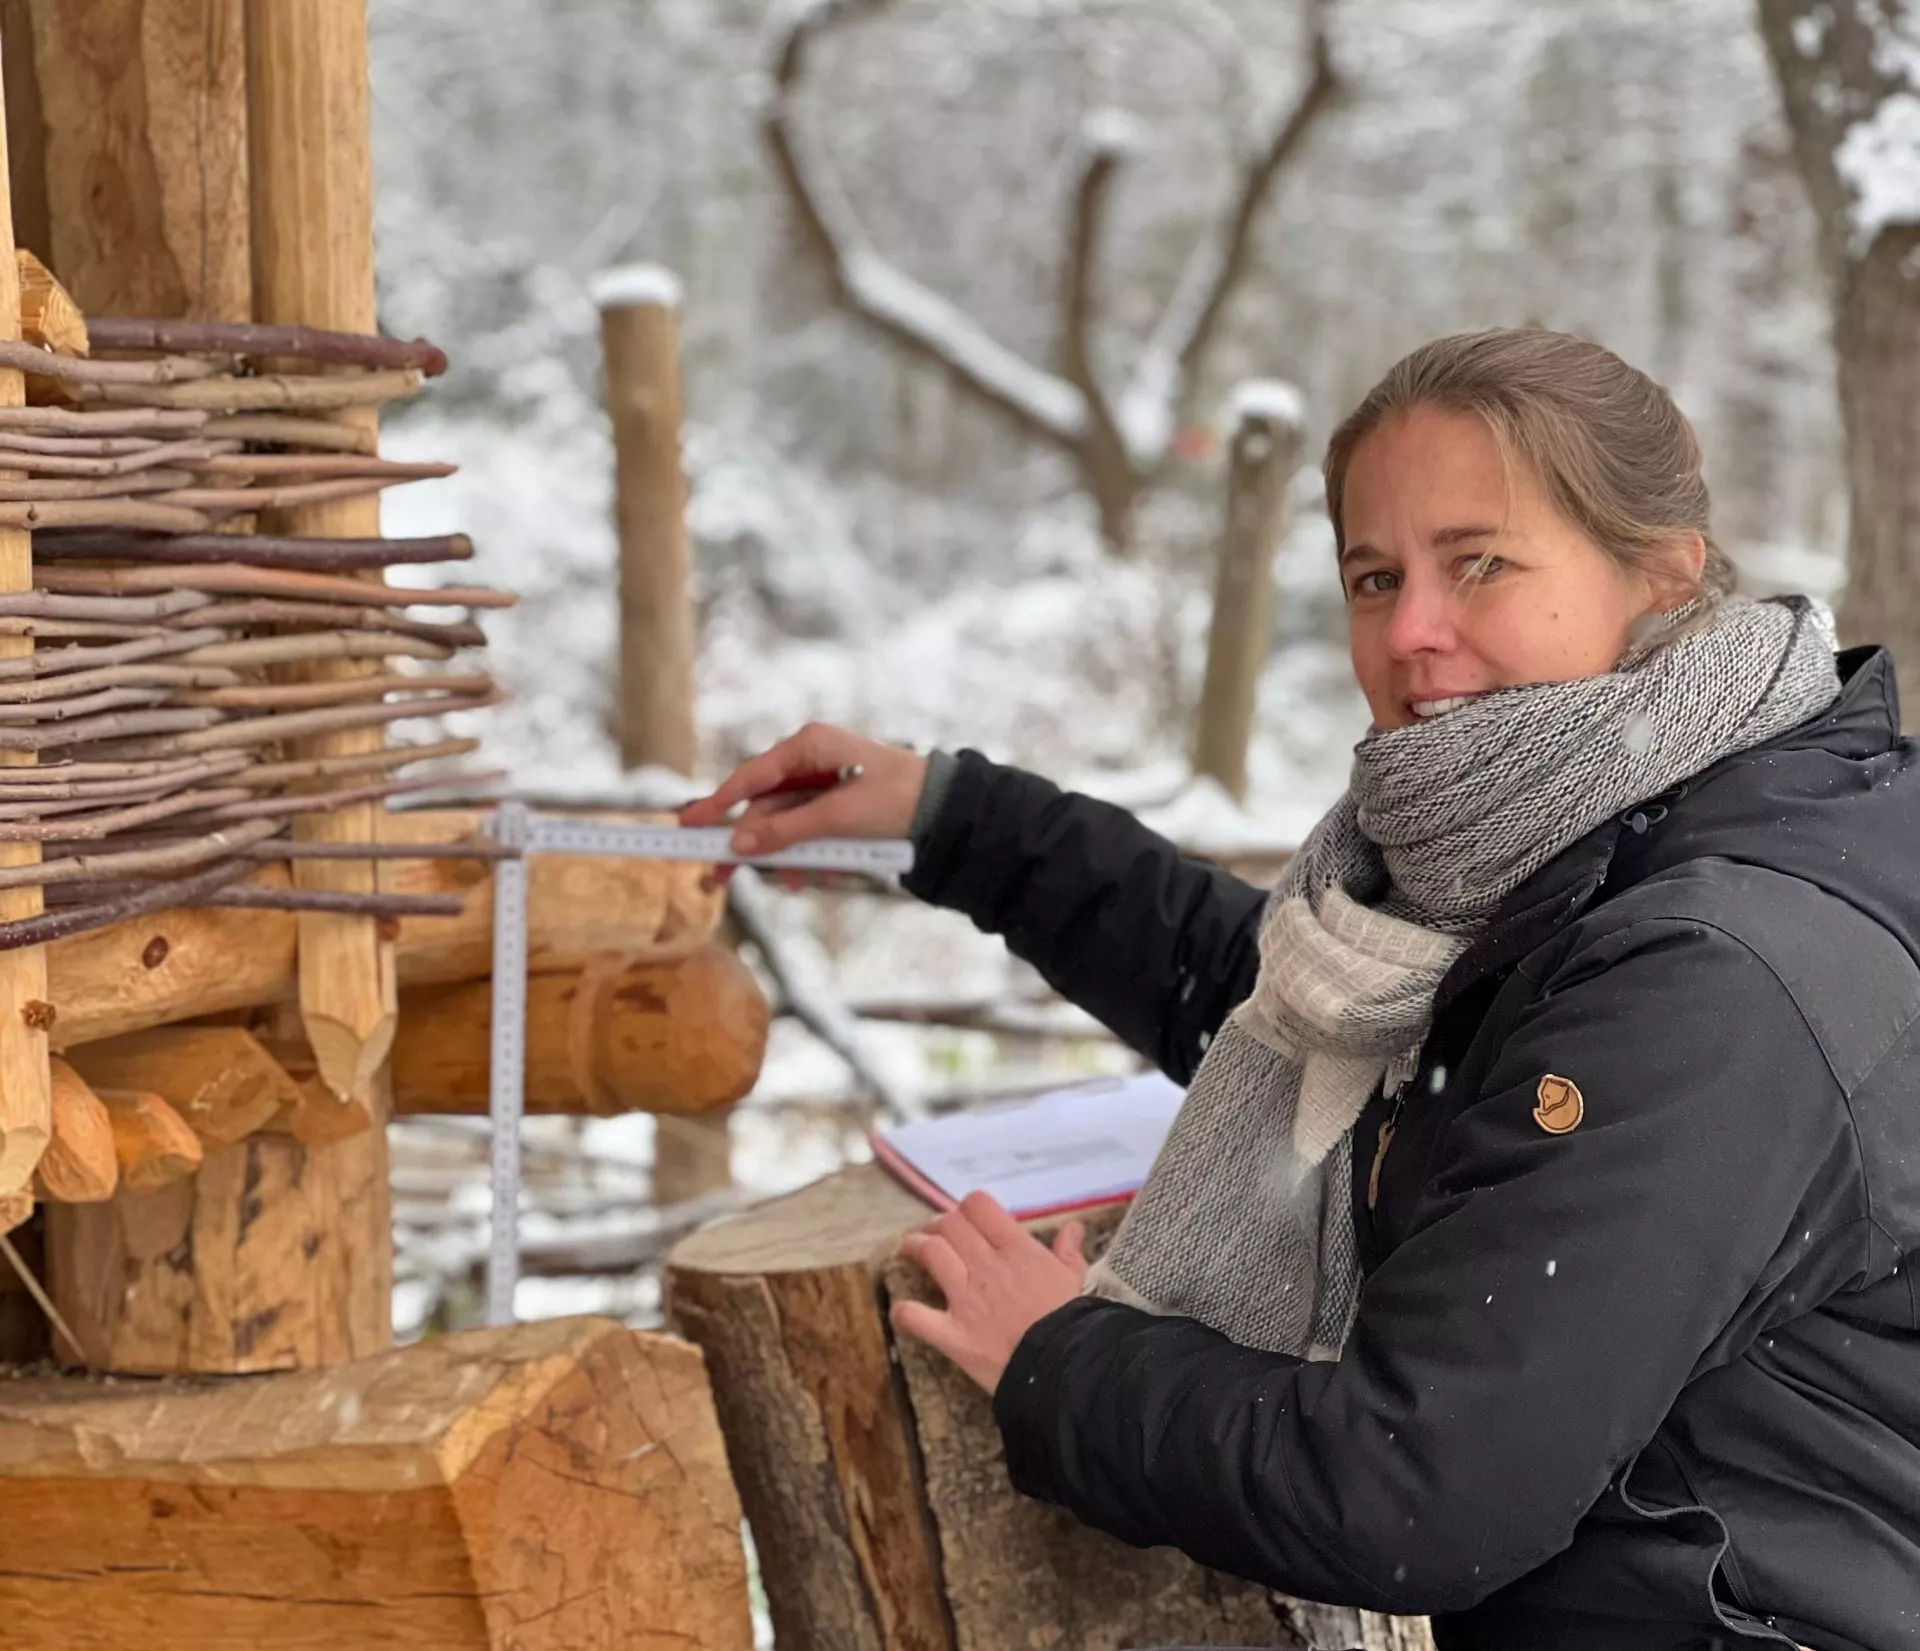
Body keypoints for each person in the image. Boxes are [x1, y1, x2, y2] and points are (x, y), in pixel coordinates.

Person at [682, 328, 1920, 1651]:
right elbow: (1324, 1024)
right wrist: (962, 822)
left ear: (1662, 569)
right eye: (1373, 576)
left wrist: (1066, 1363)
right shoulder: (1630, 825)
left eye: (1477, 561)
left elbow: (1417, 1483)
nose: (1411, 633)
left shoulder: (1710, 967)